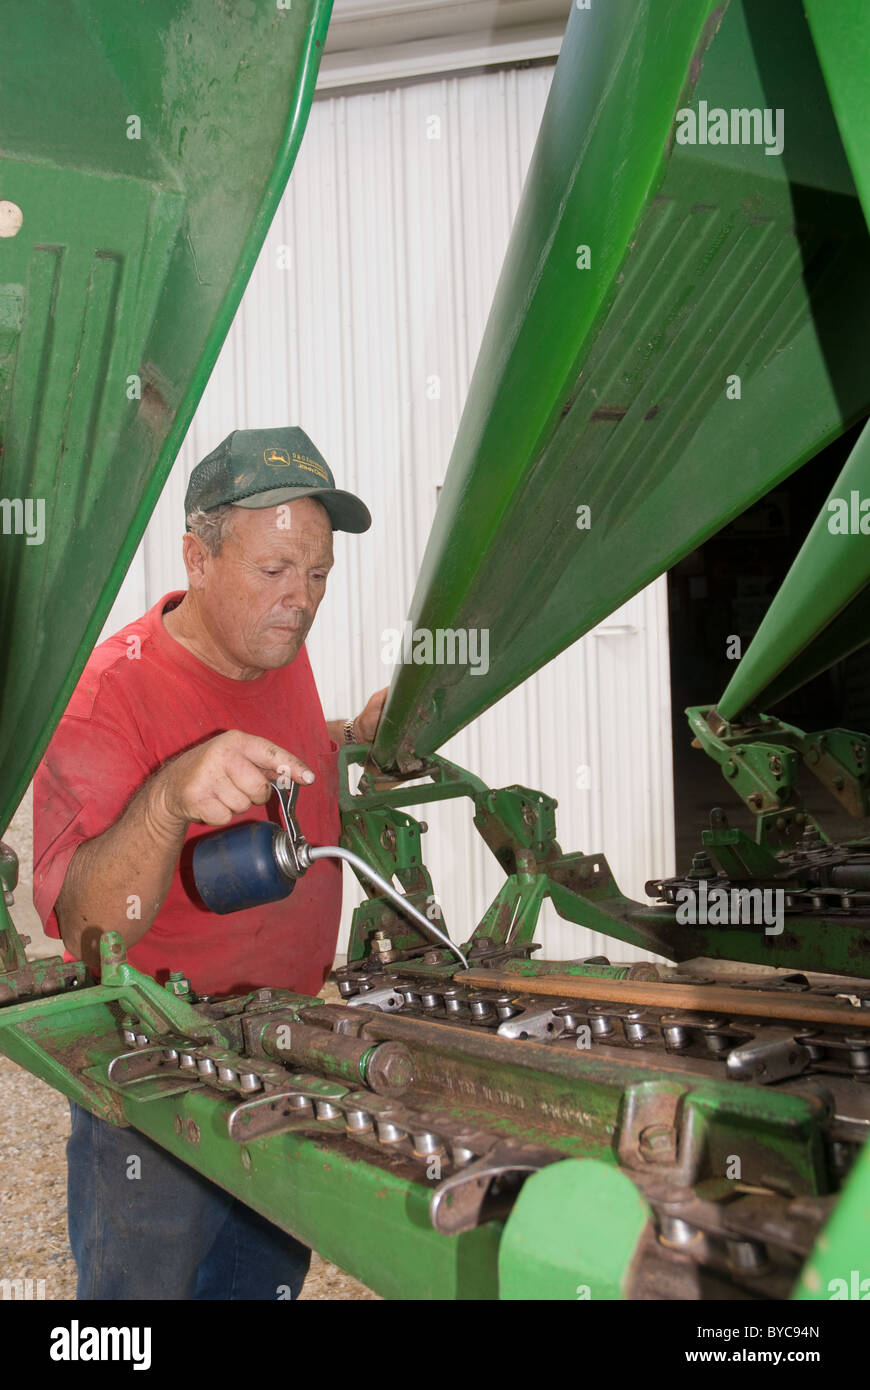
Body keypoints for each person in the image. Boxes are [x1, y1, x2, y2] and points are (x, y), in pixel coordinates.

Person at [32, 425, 386, 1300]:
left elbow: (277, 754)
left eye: (318, 576)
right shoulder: (108, 697)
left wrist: (349, 737)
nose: (300, 601)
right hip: (160, 1081)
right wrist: (167, 798)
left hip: (281, 1050)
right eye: (274, 573)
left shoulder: (277, 648)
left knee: (259, 1282)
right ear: (197, 556)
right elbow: (84, 927)